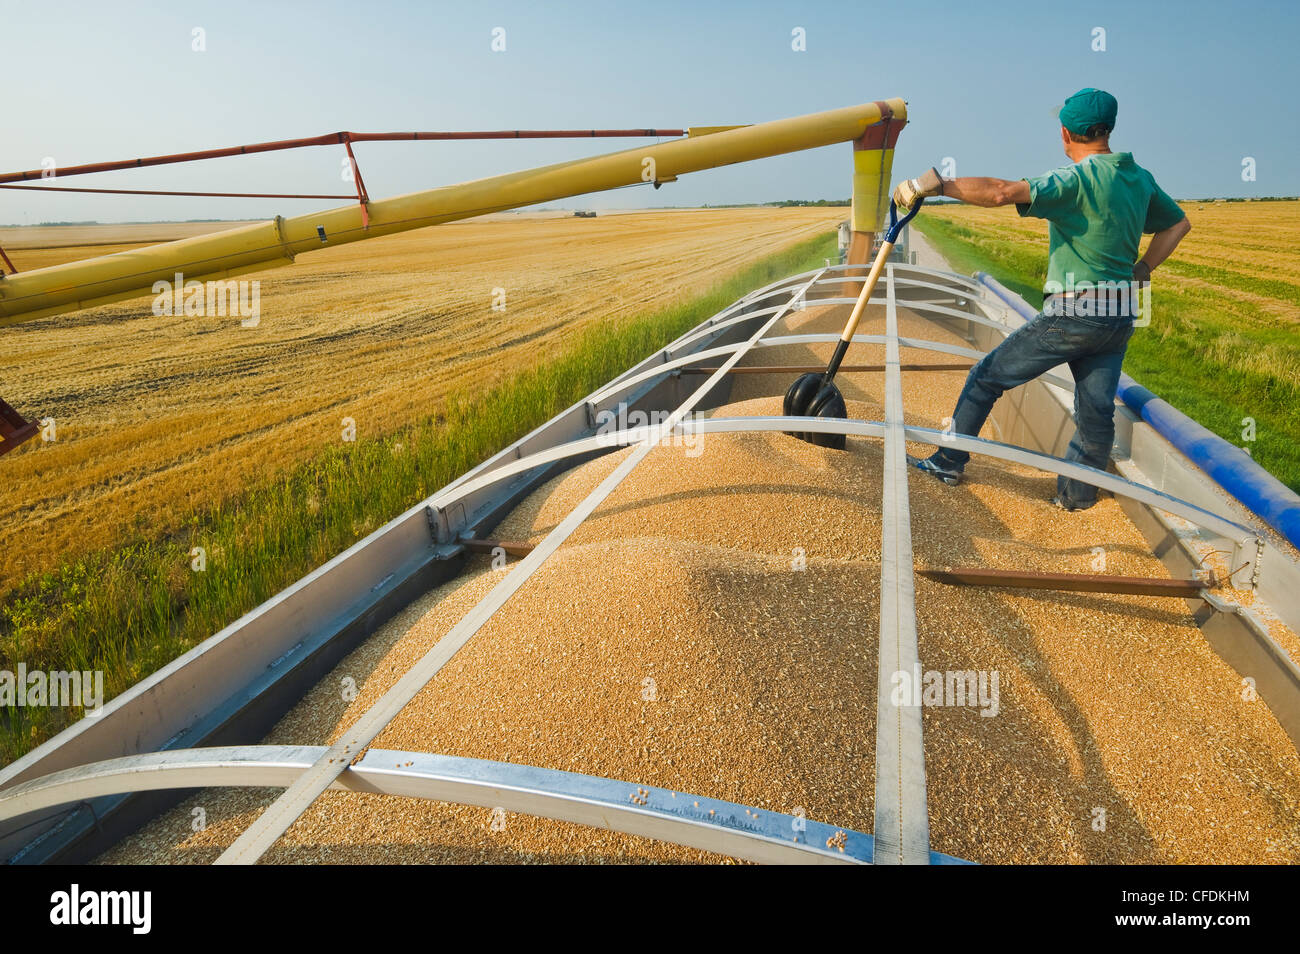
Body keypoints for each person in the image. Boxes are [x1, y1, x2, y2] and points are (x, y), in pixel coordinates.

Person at [893, 88, 1191, 510]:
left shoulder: (1076, 179)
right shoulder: (1137, 177)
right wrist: (1142, 271)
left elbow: (1000, 192)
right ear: (1107, 130)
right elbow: (1179, 224)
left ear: (1067, 133)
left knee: (987, 377)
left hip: (1075, 314)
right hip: (1120, 315)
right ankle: (1076, 498)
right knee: (1095, 412)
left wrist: (937, 185)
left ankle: (948, 460)